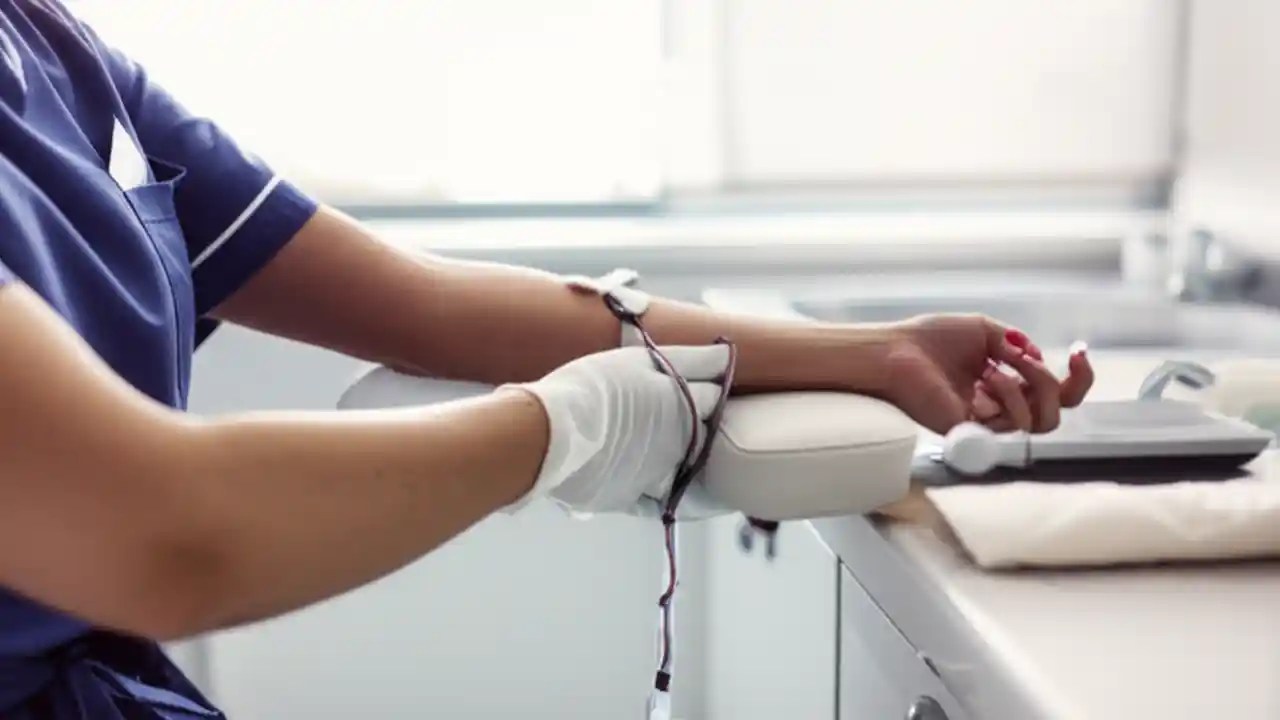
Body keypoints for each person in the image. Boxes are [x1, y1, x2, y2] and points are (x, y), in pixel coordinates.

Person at [0, 0, 1095, 716]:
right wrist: (571, 429)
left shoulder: (51, 54)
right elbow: (162, 534)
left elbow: (422, 305)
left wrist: (877, 355)